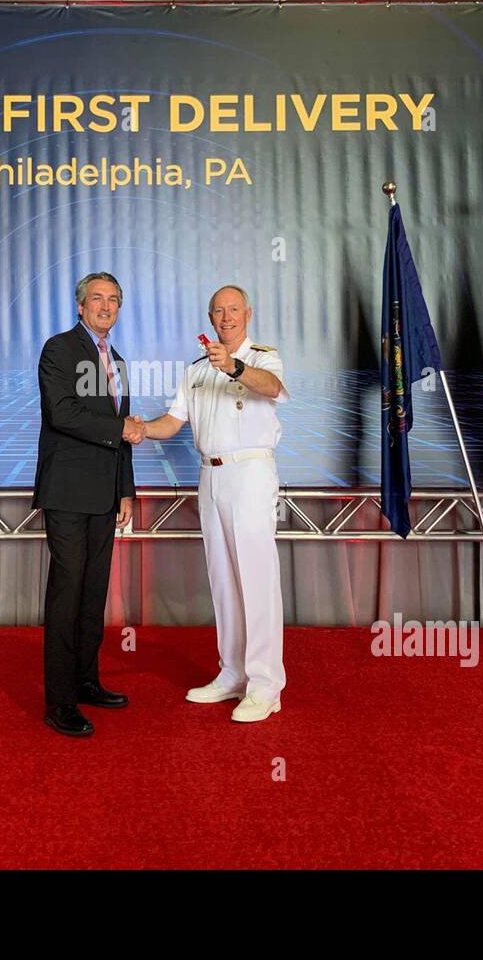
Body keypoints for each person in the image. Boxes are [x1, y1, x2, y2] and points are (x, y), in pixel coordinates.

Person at [137, 285, 288, 723]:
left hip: (251, 472)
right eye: (219, 310)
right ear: (209, 317)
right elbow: (173, 421)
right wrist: (140, 429)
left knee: (256, 578)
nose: (227, 316)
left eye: (234, 309)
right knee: (223, 578)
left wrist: (236, 366)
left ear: (249, 313)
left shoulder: (262, 357)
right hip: (210, 474)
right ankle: (233, 673)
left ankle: (265, 685)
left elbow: (273, 387)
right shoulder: (197, 369)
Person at [33, 272, 143, 738]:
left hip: (103, 495)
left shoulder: (116, 359)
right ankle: (59, 702)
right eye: (97, 298)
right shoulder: (59, 350)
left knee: (94, 592)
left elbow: (122, 433)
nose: (105, 305)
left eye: (113, 299)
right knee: (67, 592)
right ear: (80, 306)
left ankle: (85, 681)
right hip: (67, 491)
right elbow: (62, 412)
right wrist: (121, 429)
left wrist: (125, 489)